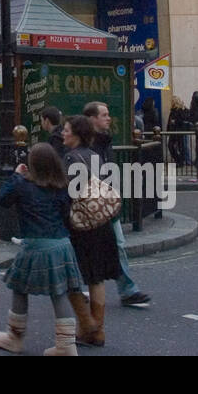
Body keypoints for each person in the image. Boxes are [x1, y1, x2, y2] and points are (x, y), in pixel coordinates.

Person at [0, 143, 91, 356]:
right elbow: (66, 214)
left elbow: (2, 199)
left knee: (19, 288)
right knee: (59, 293)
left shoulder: (23, 185)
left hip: (35, 245)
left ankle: (14, 338)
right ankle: (66, 346)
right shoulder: (61, 186)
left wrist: (16, 176)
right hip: (61, 244)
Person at [59, 115, 121, 346]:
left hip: (82, 226)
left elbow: (69, 194)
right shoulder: (95, 155)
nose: (63, 133)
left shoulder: (70, 158)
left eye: (66, 130)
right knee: (96, 279)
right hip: (101, 221)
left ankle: (87, 326)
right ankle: (98, 331)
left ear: (76, 135)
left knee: (71, 277)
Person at [83, 100, 151, 307]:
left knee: (118, 245)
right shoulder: (84, 144)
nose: (109, 118)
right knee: (83, 249)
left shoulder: (105, 141)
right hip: (90, 205)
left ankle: (128, 290)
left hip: (107, 203)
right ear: (92, 119)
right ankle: (75, 288)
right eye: (104, 115)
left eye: (108, 114)